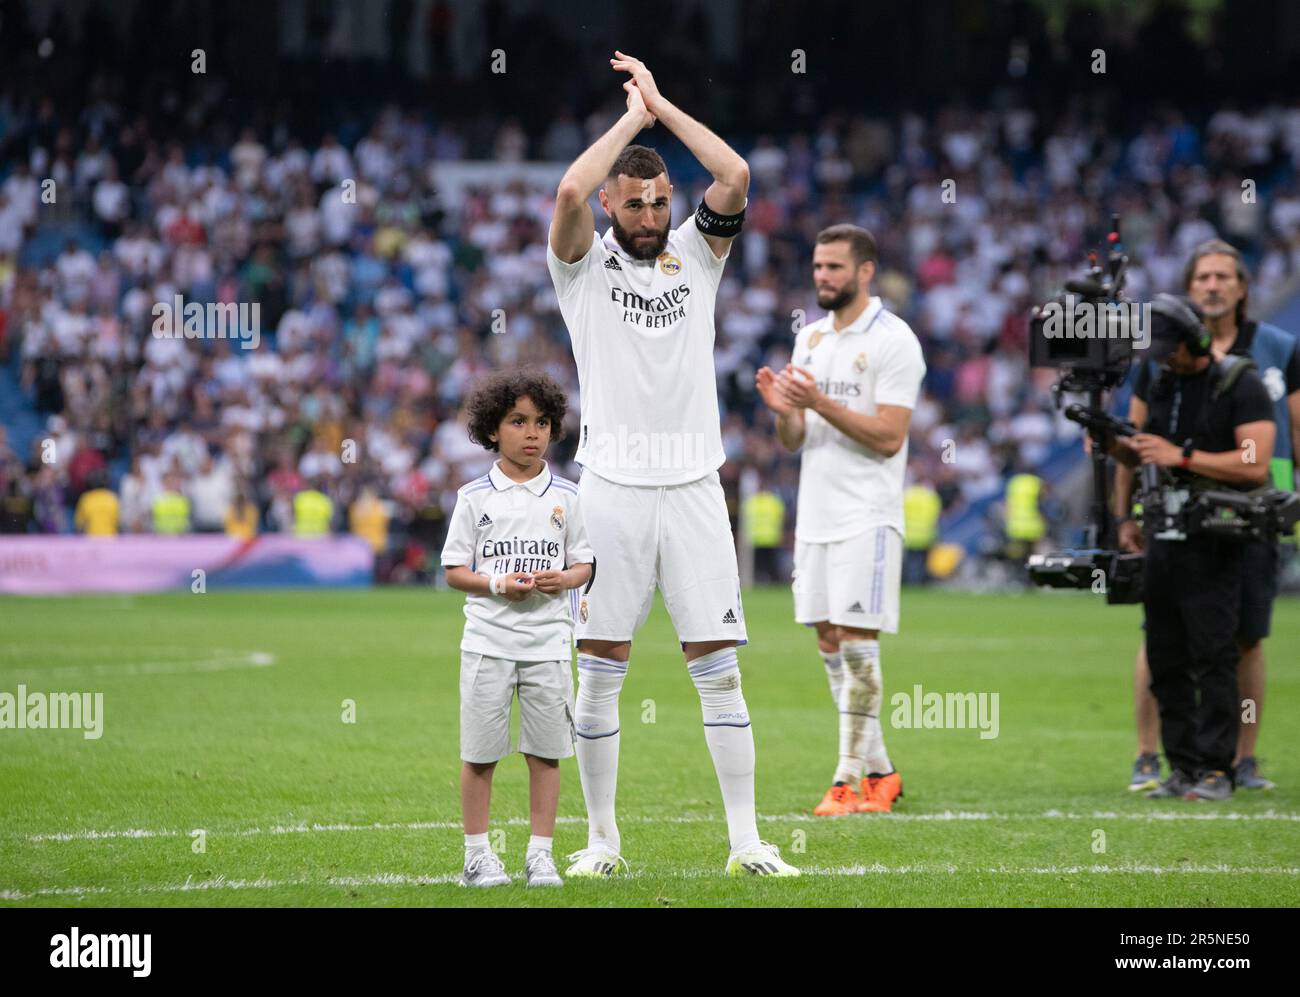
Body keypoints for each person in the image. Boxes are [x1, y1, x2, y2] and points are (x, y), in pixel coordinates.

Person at [546, 51, 798, 877]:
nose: (650, 210)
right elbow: (568, 194)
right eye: (637, 199)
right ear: (617, 201)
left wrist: (664, 105)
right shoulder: (582, 267)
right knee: (601, 672)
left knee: (718, 669)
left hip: (694, 486)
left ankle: (746, 842)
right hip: (612, 487)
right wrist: (629, 124)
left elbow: (734, 171)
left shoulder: (699, 254)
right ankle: (602, 842)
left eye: (660, 199)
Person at [755, 224, 926, 816]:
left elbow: (889, 436)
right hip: (818, 515)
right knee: (829, 641)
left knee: (857, 646)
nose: (823, 277)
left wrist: (819, 402)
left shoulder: (893, 341)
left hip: (867, 516)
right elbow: (796, 438)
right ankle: (881, 772)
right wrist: (783, 414)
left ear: (865, 271)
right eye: (818, 266)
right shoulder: (811, 339)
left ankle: (846, 781)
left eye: (834, 267)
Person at [1119, 241, 1299, 792]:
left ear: (1243, 287)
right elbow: (1140, 438)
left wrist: (1286, 502)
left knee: (1240, 638)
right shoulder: (1162, 368)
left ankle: (1235, 760)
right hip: (1176, 525)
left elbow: (1287, 438)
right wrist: (1124, 504)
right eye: (1203, 277)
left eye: (1225, 276)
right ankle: (1161, 758)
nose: (1214, 285)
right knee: (1166, 639)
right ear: (1190, 289)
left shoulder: (1273, 350)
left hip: (1248, 518)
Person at [439, 369, 594, 888]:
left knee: (545, 753)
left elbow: (585, 565)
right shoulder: (474, 497)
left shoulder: (568, 497)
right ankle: (477, 856)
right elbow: (454, 571)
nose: (533, 433)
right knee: (481, 755)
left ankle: (541, 855)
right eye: (518, 421)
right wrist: (498, 585)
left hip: (549, 644)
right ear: (492, 430)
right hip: (487, 644)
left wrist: (563, 579)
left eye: (543, 422)